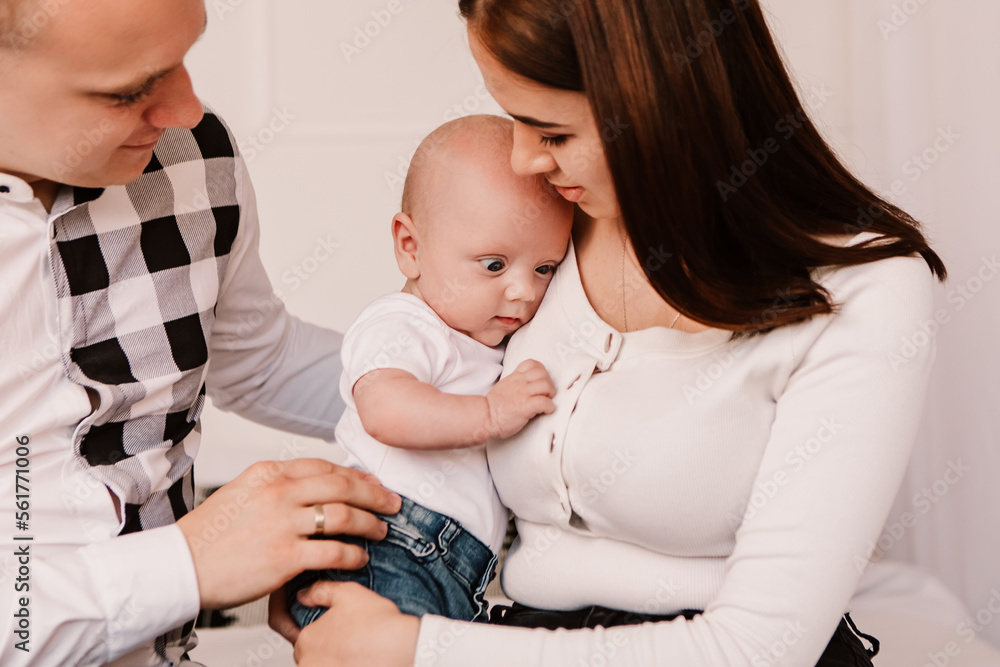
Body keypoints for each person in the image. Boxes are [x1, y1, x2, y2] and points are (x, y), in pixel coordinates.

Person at [281, 1, 948, 666]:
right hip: (504, 631)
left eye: (551, 132)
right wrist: (345, 546)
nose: (522, 161)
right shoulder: (546, 236)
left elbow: (760, 649)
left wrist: (416, 646)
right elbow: (414, 374)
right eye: (513, 119)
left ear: (660, 103)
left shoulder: (863, 289)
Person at [0, 1, 400, 664]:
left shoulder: (189, 152)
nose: (186, 109)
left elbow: (258, 361)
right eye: (127, 91)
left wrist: (474, 391)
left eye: (183, 59)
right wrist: (190, 562)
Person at [287, 114, 573, 627]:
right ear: (410, 247)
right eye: (493, 265)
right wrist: (490, 412)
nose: (524, 291)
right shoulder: (402, 325)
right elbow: (386, 409)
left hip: (456, 566)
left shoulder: (483, 337)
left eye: (544, 268)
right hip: (388, 542)